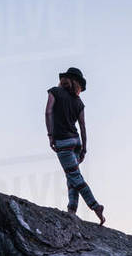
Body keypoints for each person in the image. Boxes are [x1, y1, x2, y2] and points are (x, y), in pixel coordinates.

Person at [45, 66, 105, 225]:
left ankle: (96, 206)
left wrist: (50, 135)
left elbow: (48, 112)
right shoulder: (79, 102)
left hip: (63, 142)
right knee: (71, 176)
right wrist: (84, 148)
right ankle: (72, 210)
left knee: (74, 177)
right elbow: (83, 127)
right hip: (76, 141)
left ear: (65, 79)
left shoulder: (54, 92)